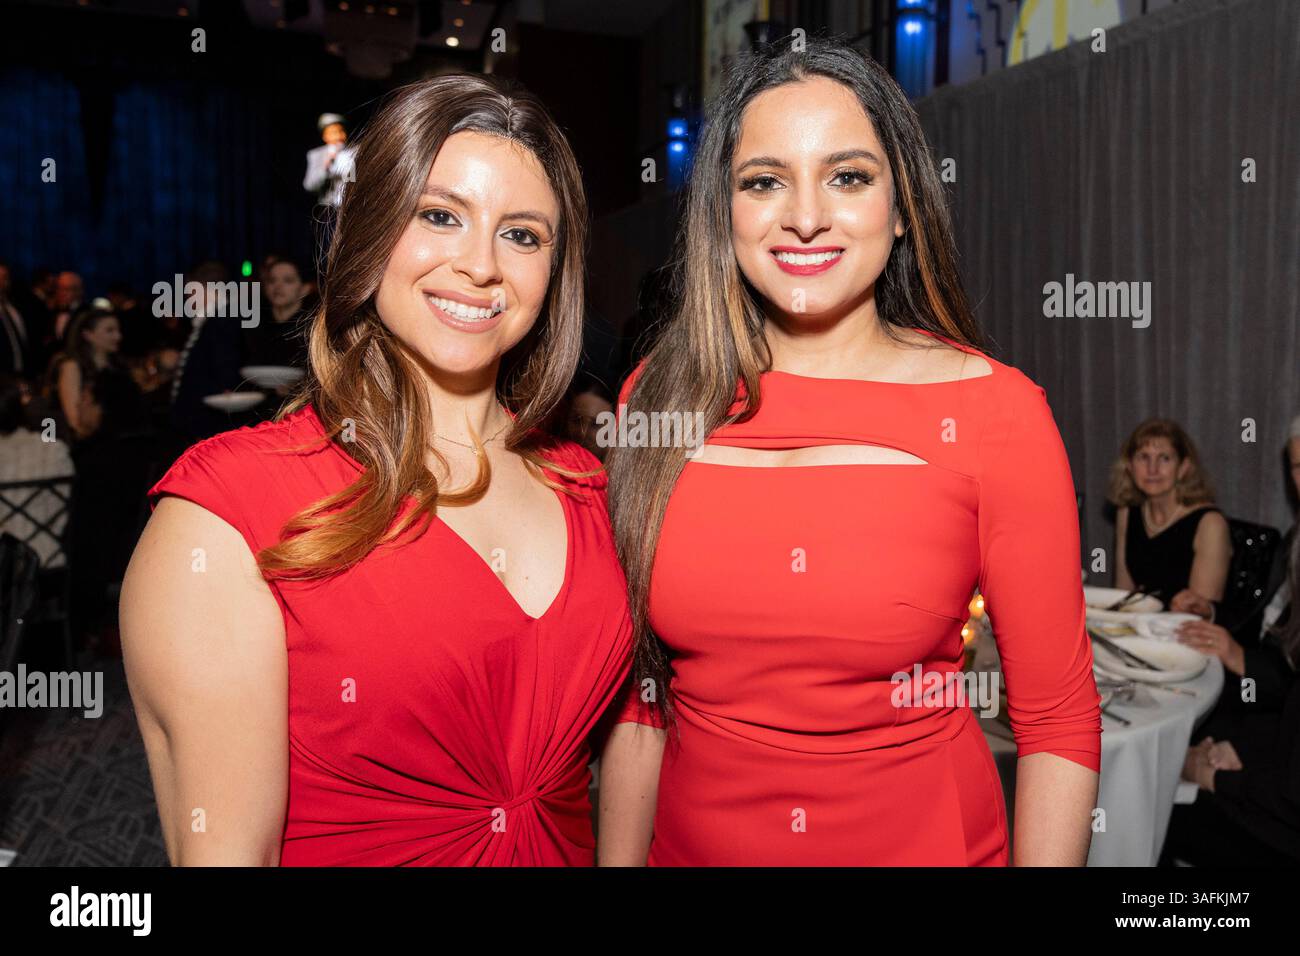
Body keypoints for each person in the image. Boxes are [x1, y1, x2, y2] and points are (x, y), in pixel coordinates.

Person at [596, 36, 1100, 867]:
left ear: (903, 207)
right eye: (764, 181)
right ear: (724, 211)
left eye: (848, 176)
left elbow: (1056, 721)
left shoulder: (993, 413)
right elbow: (642, 704)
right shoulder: (659, 399)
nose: (805, 215)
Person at [121, 73, 633, 866]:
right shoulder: (231, 511)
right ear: (368, 230)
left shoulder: (590, 490)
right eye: (439, 216)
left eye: (522, 235)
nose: (480, 265)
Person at [1159, 417, 1300, 865]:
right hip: (1275, 750)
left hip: (1281, 825)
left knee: (1153, 800)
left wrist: (1212, 775)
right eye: (1298, 465)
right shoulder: (1296, 539)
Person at [1109, 418, 1231, 614]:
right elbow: (1123, 595)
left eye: (1164, 458)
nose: (1152, 469)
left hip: (1185, 634)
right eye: (1143, 457)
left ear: (1183, 468)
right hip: (1138, 628)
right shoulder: (1126, 512)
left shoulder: (1210, 523)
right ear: (1130, 467)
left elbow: (1198, 613)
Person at [303, 112, 356, 208]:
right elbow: (309, 185)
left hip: (352, 205)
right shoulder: (316, 155)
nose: (338, 136)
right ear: (325, 136)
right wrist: (326, 167)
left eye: (341, 131)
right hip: (329, 208)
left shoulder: (355, 151)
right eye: (333, 133)